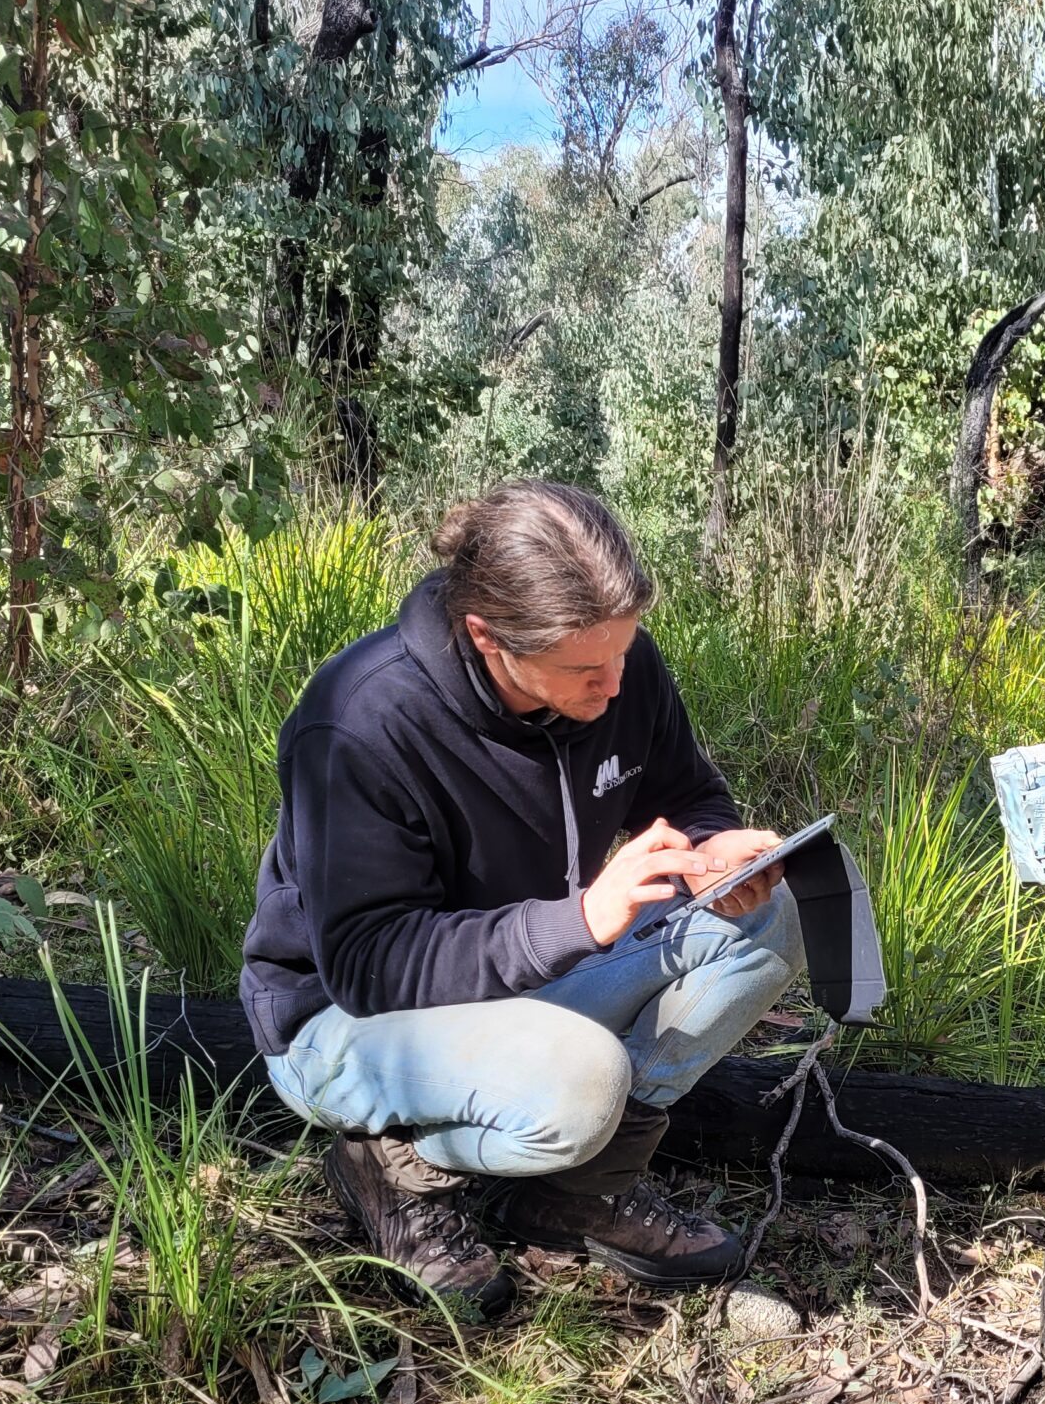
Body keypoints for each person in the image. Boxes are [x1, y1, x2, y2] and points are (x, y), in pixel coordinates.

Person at [240, 481, 800, 1317]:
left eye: (624, 651)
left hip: (523, 980)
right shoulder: (361, 722)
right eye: (584, 667)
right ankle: (394, 1168)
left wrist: (715, 846)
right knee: (583, 1080)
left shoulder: (617, 665)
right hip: (342, 1024)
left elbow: (691, 793)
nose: (614, 683)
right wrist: (577, 921)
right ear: (487, 637)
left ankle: (577, 1188)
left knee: (767, 918)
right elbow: (365, 966)